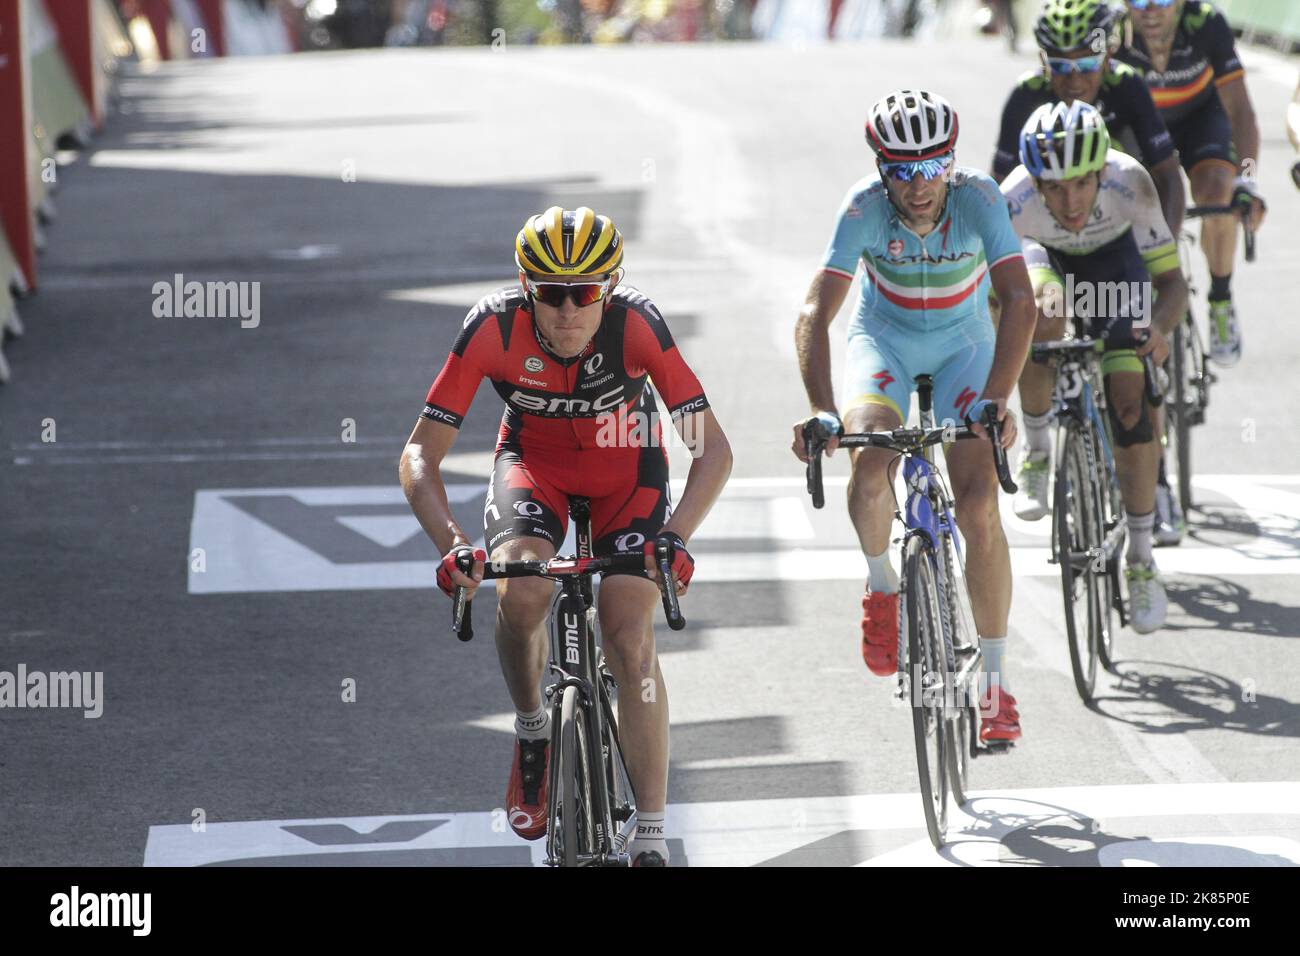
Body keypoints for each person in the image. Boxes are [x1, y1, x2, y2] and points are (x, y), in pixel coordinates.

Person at [400, 206, 732, 867]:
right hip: (535, 470)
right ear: (528, 289)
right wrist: (453, 543)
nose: (568, 311)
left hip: (626, 473)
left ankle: (653, 831)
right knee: (521, 593)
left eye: (585, 293)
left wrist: (676, 537)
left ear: (608, 289)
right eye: (551, 294)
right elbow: (419, 456)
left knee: (629, 634)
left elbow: (713, 451)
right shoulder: (492, 327)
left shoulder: (637, 324)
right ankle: (532, 734)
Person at [791, 90, 1037, 744]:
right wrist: (820, 408)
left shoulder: (980, 198)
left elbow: (1018, 299)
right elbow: (817, 312)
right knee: (869, 467)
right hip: (886, 342)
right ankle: (881, 588)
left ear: (952, 163)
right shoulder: (862, 208)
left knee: (980, 505)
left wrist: (998, 399)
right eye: (901, 170)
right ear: (881, 169)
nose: (919, 184)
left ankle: (994, 682)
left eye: (934, 166)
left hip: (963, 344)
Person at [1002, 101, 1188, 634]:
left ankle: (1142, 557)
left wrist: (1158, 329)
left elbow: (1173, 284)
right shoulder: (1012, 199)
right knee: (1039, 312)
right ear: (1034, 183)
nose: (1069, 201)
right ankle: (1038, 451)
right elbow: (987, 290)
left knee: (1130, 406)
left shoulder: (1131, 182)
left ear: (1101, 173)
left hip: (1118, 272)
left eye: (1081, 185)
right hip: (1047, 263)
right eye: (1053, 188)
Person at [1114, 0, 1266, 368]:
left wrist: (1247, 179)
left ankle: (1220, 298)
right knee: (1136, 199)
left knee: (1218, 194)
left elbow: (1240, 109)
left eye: (1162, 0)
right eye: (1138, 0)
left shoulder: (1206, 23)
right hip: (1143, 126)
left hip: (1200, 117)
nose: (1150, 9)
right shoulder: (1113, 31)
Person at [991, 0, 1184, 238]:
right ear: (1044, 62)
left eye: (1087, 63)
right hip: (1050, 223)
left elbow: (1169, 175)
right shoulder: (1026, 94)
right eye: (1059, 65)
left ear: (1107, 57)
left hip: (1121, 214)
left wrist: (1166, 247)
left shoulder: (1126, 85)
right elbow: (999, 187)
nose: (1074, 80)